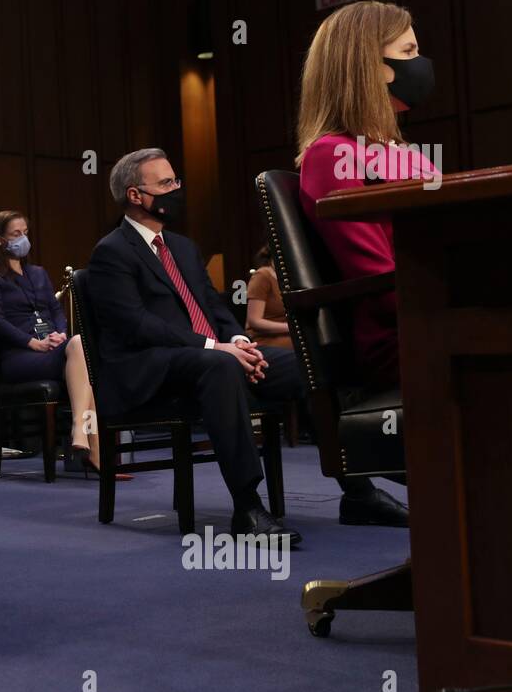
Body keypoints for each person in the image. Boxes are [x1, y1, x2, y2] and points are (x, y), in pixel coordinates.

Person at [88, 148, 408, 543]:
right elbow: (135, 325)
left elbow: (213, 305)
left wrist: (239, 341)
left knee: (310, 362)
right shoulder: (111, 252)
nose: (177, 190)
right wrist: (214, 348)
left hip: (207, 358)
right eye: (166, 184)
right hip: (151, 369)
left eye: (177, 181)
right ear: (135, 195)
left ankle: (357, 492)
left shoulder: (184, 248)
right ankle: (248, 508)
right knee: (220, 368)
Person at [296, 0, 440, 392]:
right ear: (371, 68)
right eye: (408, 52)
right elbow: (376, 279)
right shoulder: (331, 155)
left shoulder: (402, 152)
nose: (420, 62)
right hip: (405, 336)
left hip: (438, 314)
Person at [0, 210, 126, 478]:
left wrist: (60, 333)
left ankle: (89, 447)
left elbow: (56, 311)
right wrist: (32, 343)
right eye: (16, 234)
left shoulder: (37, 273)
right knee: (83, 355)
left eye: (25, 233)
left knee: (81, 353)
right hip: (19, 357)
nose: (23, 239)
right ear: (0, 239)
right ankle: (88, 444)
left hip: (52, 348)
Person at [244, 246, 292, 349]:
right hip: (266, 339)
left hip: (288, 335)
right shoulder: (262, 275)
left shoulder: (290, 276)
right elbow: (254, 321)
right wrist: (290, 327)